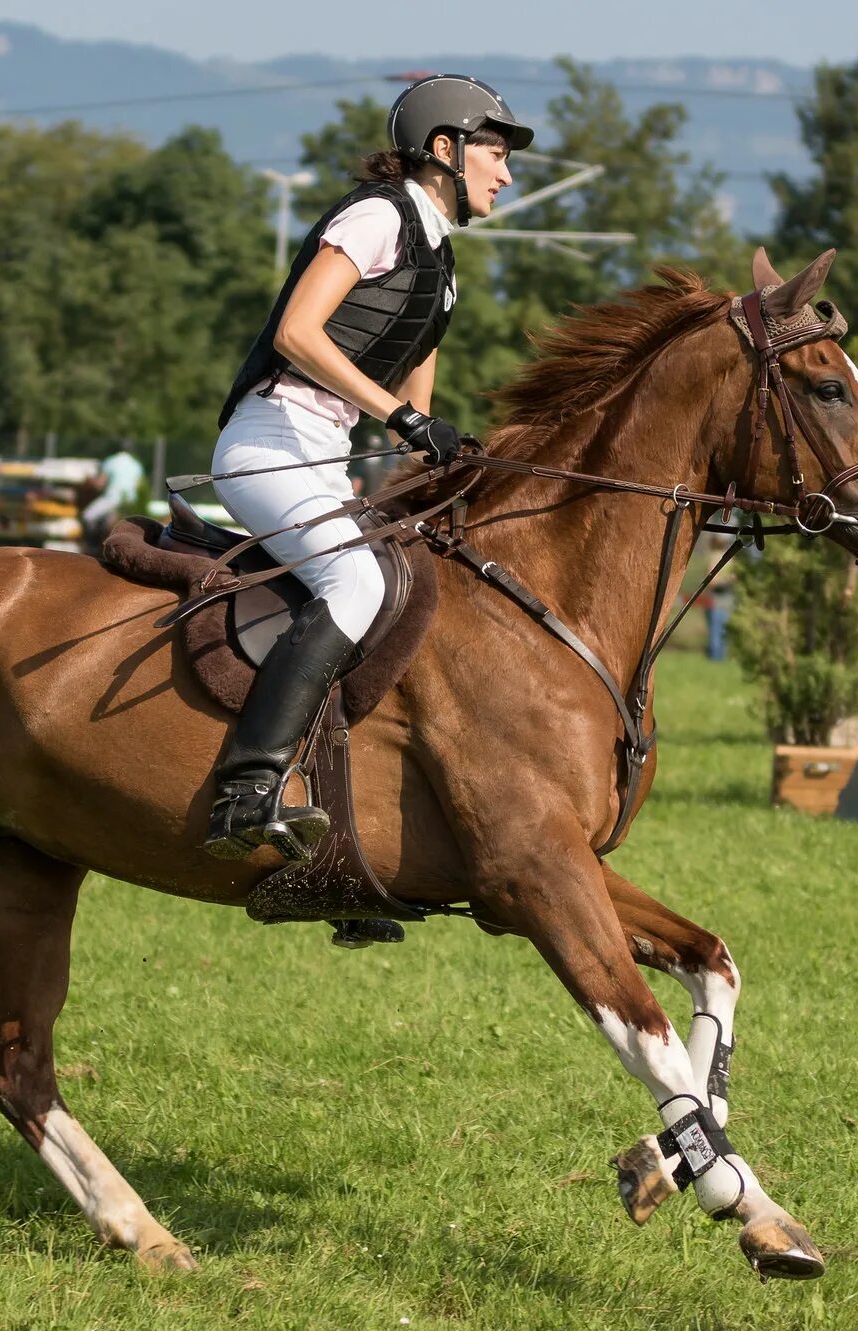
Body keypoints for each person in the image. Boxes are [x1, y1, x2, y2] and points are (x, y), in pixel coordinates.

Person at [201, 74, 529, 861]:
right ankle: (244, 790)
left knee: (416, 583)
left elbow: (418, 407)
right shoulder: (377, 215)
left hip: (324, 459)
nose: (506, 174)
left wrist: (449, 462)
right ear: (444, 150)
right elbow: (298, 333)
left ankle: (351, 830)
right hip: (269, 442)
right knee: (356, 583)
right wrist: (402, 417)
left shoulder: (441, 264)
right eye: (495, 153)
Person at [80, 442, 145, 541]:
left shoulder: (111, 461)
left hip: (113, 498)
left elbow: (99, 484)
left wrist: (90, 482)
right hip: (131, 502)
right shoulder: (136, 464)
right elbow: (139, 485)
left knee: (87, 516)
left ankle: (91, 544)